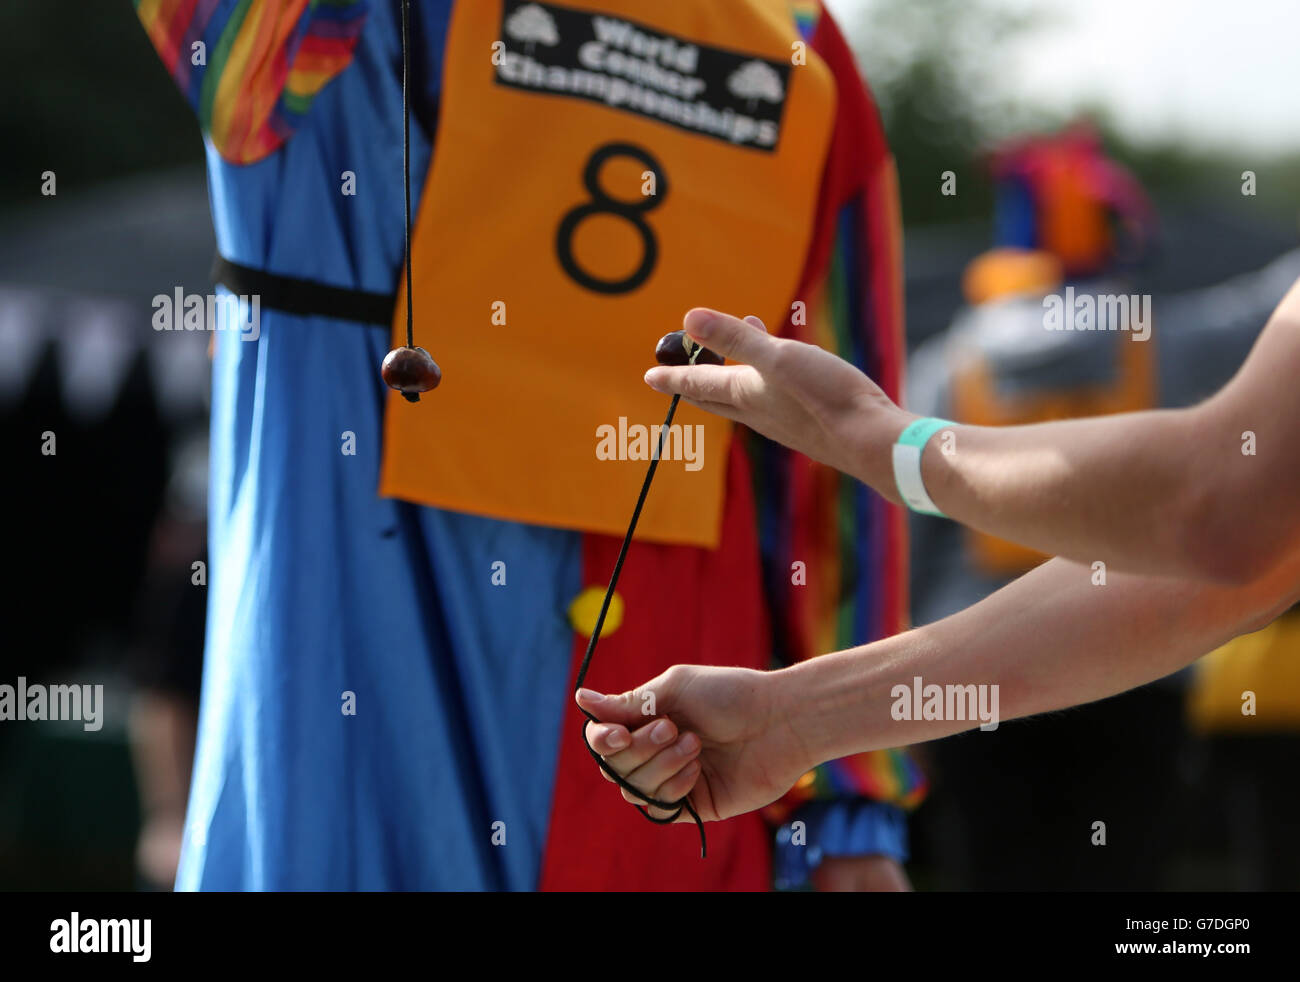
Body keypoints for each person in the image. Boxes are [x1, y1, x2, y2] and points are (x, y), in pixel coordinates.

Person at [134, 0, 926, 889]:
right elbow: (233, 63)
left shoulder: (798, 42)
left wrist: (852, 797)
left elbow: (843, 438)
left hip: (667, 710)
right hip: (351, 653)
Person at [580, 288, 1300, 825]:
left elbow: (1226, 509)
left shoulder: (949, 357)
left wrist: (885, 444)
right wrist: (795, 717)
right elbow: (1230, 563)